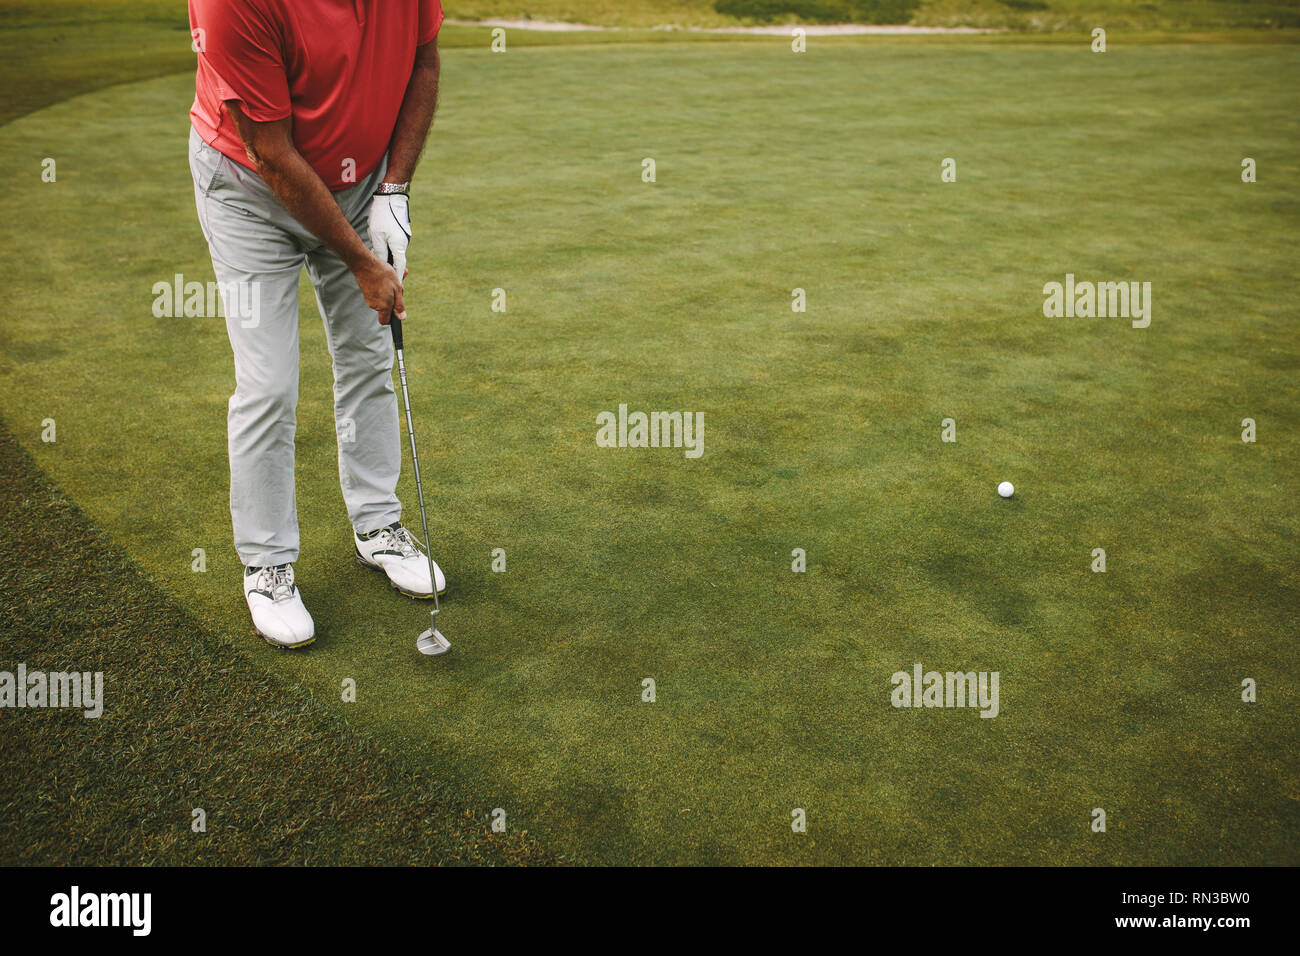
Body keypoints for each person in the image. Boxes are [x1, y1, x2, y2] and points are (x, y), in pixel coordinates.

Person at [187, 0, 446, 648]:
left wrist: (394, 191)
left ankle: (378, 526)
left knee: (367, 356)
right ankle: (267, 567)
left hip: (357, 187)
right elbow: (271, 154)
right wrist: (363, 262)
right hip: (248, 190)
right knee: (269, 384)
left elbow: (422, 60)